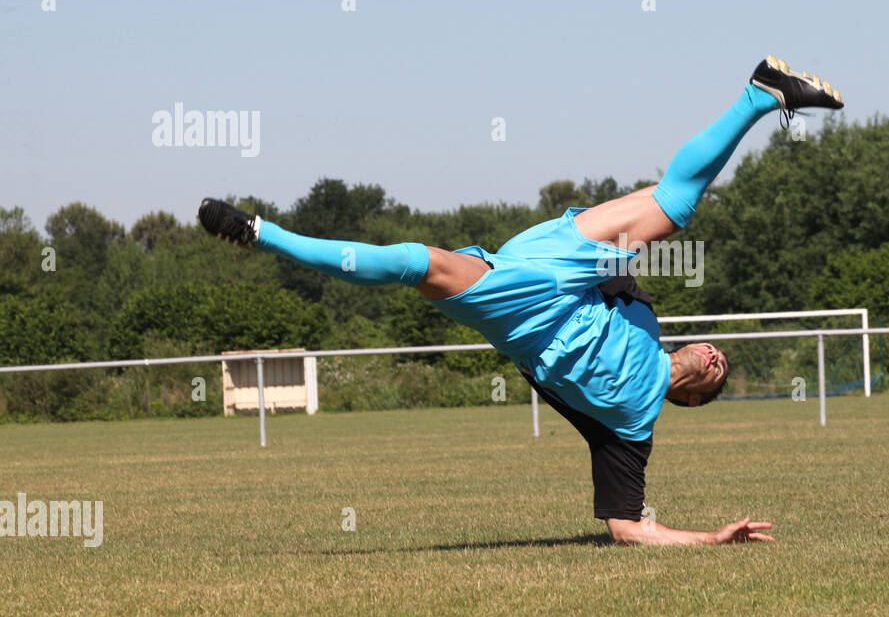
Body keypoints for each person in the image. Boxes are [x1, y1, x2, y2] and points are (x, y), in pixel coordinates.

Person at [198, 56, 842, 545]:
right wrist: (626, 244)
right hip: (559, 266)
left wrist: (708, 539)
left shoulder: (630, 429)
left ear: (692, 397)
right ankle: (761, 93)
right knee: (672, 205)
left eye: (717, 376)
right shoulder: (645, 320)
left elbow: (627, 528)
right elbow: (618, 266)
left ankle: (263, 234)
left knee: (411, 262)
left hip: (519, 312)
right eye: (719, 358)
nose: (716, 359)